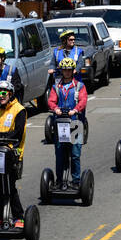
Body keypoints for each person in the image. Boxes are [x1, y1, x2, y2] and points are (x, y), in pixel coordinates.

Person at [0, 80, 27, 228]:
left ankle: (19, 217)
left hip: (13, 153)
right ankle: (0, 216)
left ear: (10, 94)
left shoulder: (19, 109)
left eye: (4, 93)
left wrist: (0, 134)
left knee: (9, 186)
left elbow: (17, 132)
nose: (1, 96)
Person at [46, 58, 88, 187]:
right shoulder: (56, 87)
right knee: (60, 153)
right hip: (60, 124)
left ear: (73, 71)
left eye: (69, 70)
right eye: (65, 70)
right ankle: (59, 180)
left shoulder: (79, 86)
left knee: (75, 154)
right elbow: (51, 101)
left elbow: (83, 100)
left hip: (75, 123)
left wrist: (75, 110)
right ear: (61, 71)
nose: (67, 72)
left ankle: (76, 181)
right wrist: (55, 109)